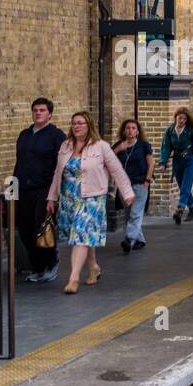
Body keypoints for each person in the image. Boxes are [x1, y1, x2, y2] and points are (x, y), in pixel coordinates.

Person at [46, 111, 135, 294]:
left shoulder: (101, 147)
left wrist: (127, 193)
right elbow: (57, 173)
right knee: (84, 237)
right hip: (69, 198)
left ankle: (73, 278)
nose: (76, 126)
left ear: (89, 126)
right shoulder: (66, 146)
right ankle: (93, 266)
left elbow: (117, 170)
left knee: (80, 235)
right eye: (73, 123)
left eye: (80, 123)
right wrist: (52, 197)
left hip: (92, 198)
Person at [13, 97, 65, 283]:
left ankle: (51, 263)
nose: (38, 113)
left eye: (42, 110)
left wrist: (55, 194)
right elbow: (19, 163)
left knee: (42, 228)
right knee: (24, 229)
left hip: (45, 188)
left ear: (49, 114)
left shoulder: (56, 136)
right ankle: (37, 267)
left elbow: (61, 165)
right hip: (24, 188)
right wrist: (12, 189)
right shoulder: (24, 135)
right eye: (35, 110)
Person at [158, 107, 193, 224]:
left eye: (184, 119)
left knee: (186, 185)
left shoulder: (191, 131)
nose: (182, 120)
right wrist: (163, 162)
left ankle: (180, 209)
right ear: (175, 117)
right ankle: (192, 208)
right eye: (180, 118)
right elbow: (165, 147)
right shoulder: (170, 130)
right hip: (177, 160)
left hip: (190, 160)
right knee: (182, 186)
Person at [111, 118, 154, 252]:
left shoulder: (143, 145)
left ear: (137, 131)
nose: (130, 130)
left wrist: (147, 180)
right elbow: (108, 159)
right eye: (128, 128)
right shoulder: (119, 145)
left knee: (135, 213)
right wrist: (118, 149)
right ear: (124, 131)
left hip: (140, 183)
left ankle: (129, 239)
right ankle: (139, 240)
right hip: (124, 186)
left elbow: (151, 163)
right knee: (131, 214)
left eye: (133, 128)